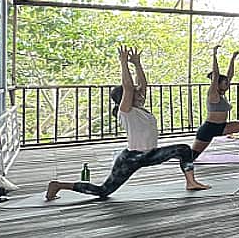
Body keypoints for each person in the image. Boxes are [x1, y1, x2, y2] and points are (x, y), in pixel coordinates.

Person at [46, 46, 210, 201]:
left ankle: (191, 182)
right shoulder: (126, 111)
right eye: (136, 94)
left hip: (149, 154)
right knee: (103, 191)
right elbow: (129, 88)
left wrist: (137, 64)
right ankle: (58, 185)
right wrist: (123, 63)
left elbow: (142, 85)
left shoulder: (139, 109)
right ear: (126, 98)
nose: (141, 94)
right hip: (132, 158)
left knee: (184, 149)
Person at [192, 46, 239, 159]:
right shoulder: (213, 93)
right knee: (191, 156)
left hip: (222, 126)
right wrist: (214, 54)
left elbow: (230, 74)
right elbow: (216, 74)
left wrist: (233, 58)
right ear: (217, 84)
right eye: (225, 83)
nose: (228, 85)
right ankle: (174, 152)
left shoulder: (222, 93)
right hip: (209, 128)